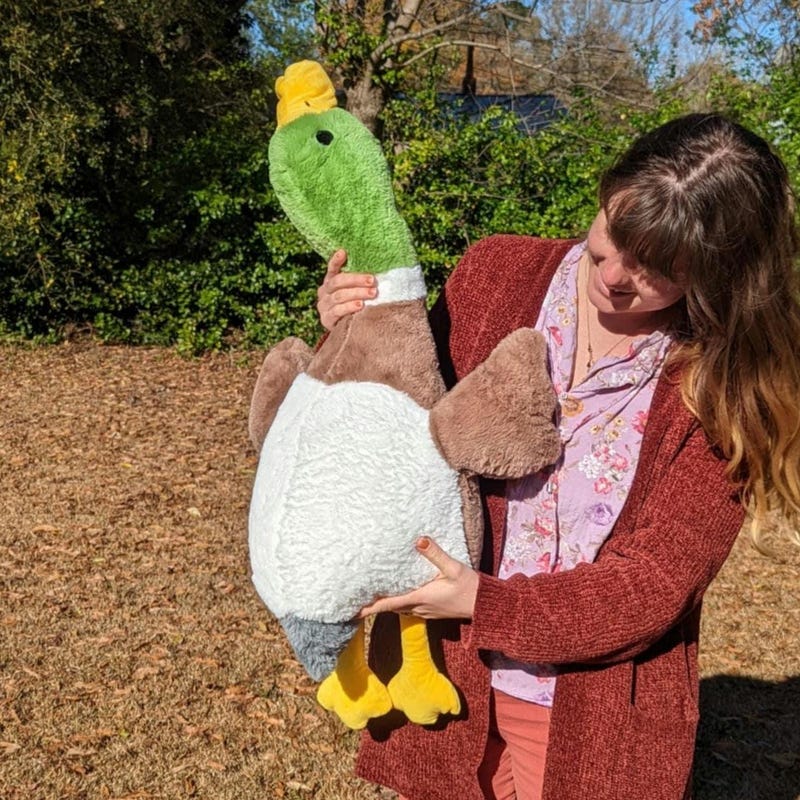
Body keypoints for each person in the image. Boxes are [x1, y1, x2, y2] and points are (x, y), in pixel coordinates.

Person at [313, 113, 800, 800]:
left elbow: (655, 584)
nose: (616, 276)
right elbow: (396, 408)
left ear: (723, 273)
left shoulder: (725, 383)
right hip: (446, 667)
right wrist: (348, 331)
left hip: (589, 703)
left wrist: (485, 603)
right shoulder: (497, 275)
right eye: (611, 238)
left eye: (660, 267)